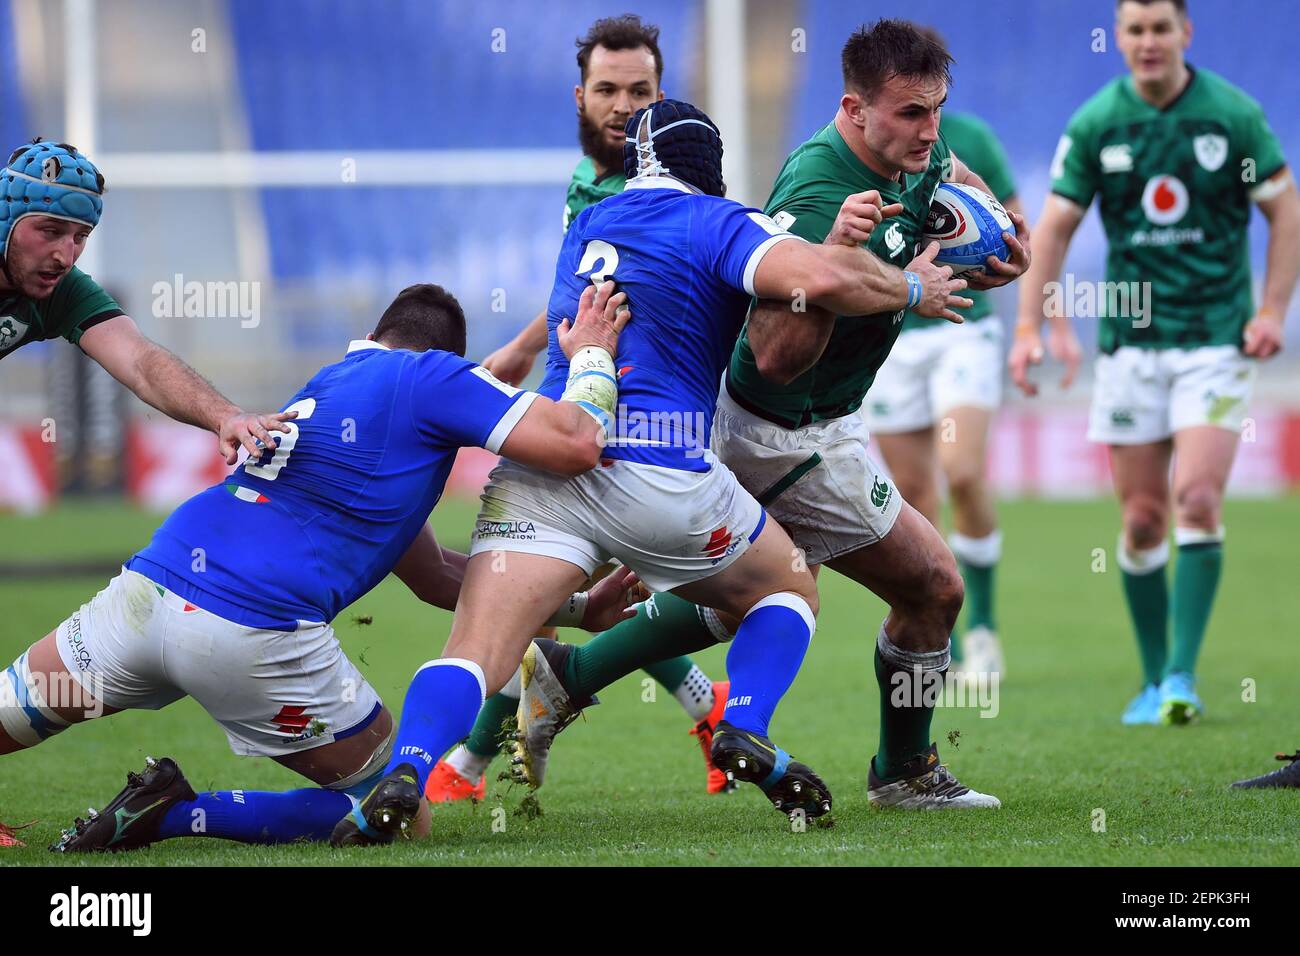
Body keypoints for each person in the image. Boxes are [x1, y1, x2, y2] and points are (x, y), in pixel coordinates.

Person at [333, 96, 974, 844]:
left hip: (543, 469)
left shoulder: (586, 225)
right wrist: (917, 287)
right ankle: (744, 724)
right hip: (661, 469)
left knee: (473, 653)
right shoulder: (721, 223)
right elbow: (820, 284)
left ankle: (408, 765)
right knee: (788, 584)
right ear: (710, 167)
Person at [512, 20, 1027, 810]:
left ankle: (569, 674)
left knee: (742, 598)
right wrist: (855, 269)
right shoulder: (818, 191)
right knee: (931, 588)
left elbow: (956, 180)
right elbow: (777, 353)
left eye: (936, 109)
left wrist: (991, 235)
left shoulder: (918, 146)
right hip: (782, 427)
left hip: (824, 415)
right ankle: (906, 773)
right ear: (855, 110)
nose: (931, 129)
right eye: (911, 114)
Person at [7, 281, 638, 852]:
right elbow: (575, 441)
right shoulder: (429, 376)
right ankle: (176, 814)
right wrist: (591, 351)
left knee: (10, 718)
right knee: (391, 809)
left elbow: (438, 577)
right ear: (441, 355)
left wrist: (580, 610)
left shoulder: (331, 388)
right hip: (250, 630)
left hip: (147, 593)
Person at [432, 14, 734, 801]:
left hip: (645, 425)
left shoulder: (676, 185)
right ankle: (705, 710)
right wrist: (531, 342)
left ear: (660, 95)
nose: (623, 105)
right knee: (559, 592)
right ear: (580, 94)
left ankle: (458, 766)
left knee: (528, 583)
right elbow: (583, 292)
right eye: (608, 89)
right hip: (581, 397)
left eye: (640, 91)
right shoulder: (586, 183)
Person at [1010, 0, 1298, 725]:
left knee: (1196, 499)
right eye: (1133, 29)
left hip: (1214, 344)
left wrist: (1270, 311)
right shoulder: (1098, 122)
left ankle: (1181, 676)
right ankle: (1148, 678)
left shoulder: (1231, 116)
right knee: (1141, 521)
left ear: (1185, 34)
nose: (1145, 42)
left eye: (1159, 28)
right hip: (1131, 348)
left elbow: (1286, 212)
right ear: (1121, 37)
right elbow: (1055, 229)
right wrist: (1029, 327)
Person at [0, 139, 295, 464]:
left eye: (80, 237)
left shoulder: (61, 290)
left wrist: (226, 416)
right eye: (50, 230)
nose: (65, 257)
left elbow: (141, 363)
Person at [864, 105, 1023, 678]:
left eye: (928, 103)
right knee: (911, 494)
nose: (922, 118)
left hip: (964, 326)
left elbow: (1012, 221)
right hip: (894, 333)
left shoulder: (971, 136)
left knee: (961, 471)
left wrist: (1003, 251)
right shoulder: (863, 150)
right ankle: (937, 638)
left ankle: (985, 629)